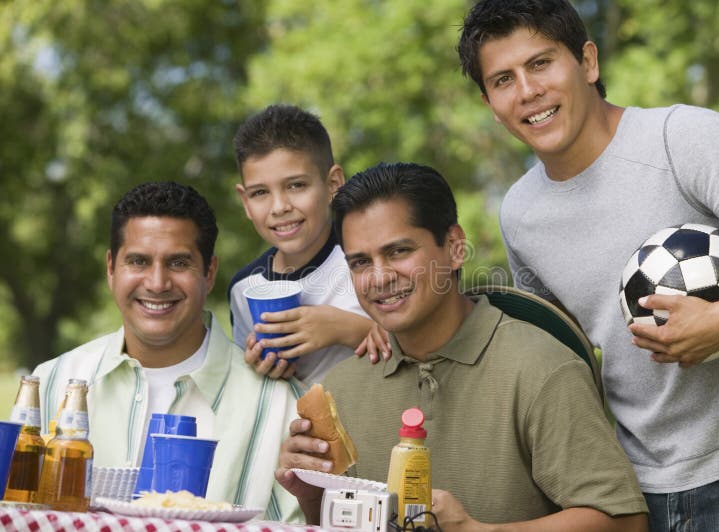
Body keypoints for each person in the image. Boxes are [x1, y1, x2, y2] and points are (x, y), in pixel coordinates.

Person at [457, 1, 719, 529]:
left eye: (541, 63)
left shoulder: (680, 138)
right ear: (490, 103)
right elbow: (556, 358)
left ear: (588, 63)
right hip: (639, 491)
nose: (527, 91)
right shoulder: (520, 214)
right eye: (503, 80)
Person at [275, 162, 648, 530]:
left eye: (398, 252)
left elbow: (625, 522)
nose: (379, 277)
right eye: (360, 262)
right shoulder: (341, 389)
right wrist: (313, 495)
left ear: (454, 247)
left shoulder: (542, 368)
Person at [34, 181, 302, 521]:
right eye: (138, 261)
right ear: (111, 268)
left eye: (178, 263)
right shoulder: (49, 385)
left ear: (209, 273)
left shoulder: (281, 407)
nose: (157, 283)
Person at [229, 104, 388, 384]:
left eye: (296, 186)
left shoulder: (369, 263)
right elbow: (251, 393)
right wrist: (257, 369)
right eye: (260, 192)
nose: (279, 207)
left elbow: (424, 352)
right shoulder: (244, 289)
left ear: (333, 184)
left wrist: (346, 329)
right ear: (245, 201)